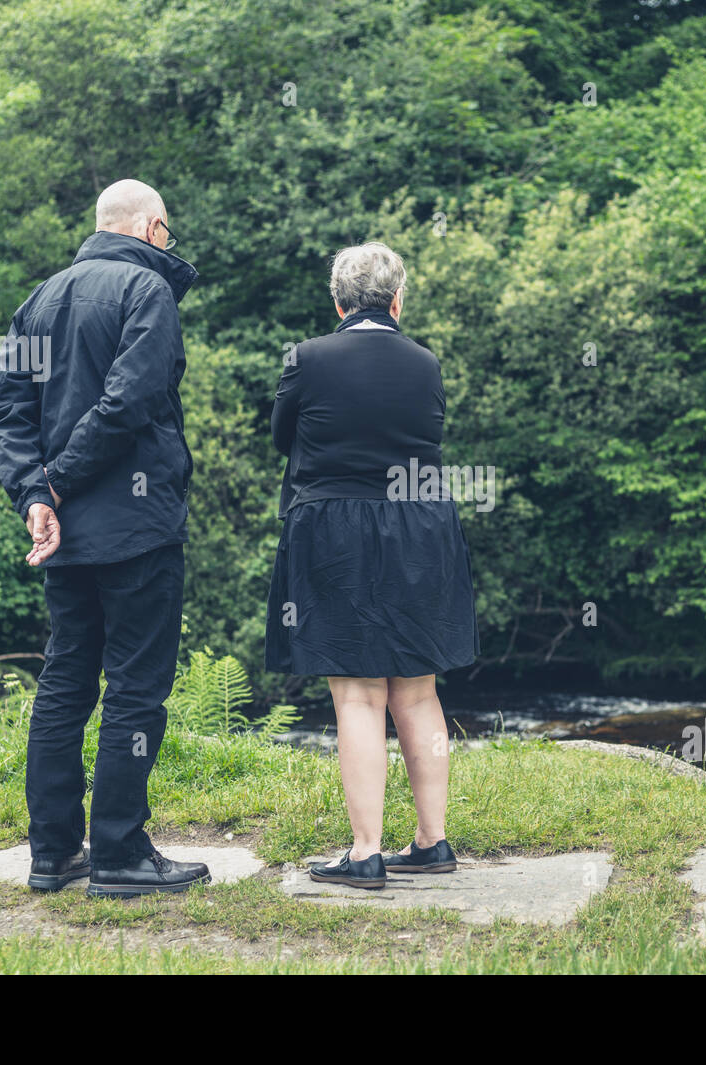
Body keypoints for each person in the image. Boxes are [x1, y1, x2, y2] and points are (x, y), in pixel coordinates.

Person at [0, 179, 210, 898]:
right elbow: (129, 400)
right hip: (135, 528)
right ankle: (117, 851)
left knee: (65, 682)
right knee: (137, 687)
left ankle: (52, 853)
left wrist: (35, 494)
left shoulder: (40, 299)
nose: (168, 243)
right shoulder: (148, 294)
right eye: (166, 231)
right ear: (149, 228)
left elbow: (6, 410)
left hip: (66, 535)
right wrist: (54, 483)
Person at [265, 241, 479, 889]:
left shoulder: (307, 358)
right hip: (421, 528)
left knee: (359, 693)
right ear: (397, 299)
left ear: (338, 301)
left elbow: (283, 436)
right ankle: (432, 840)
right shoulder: (427, 362)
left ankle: (365, 852)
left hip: (338, 531)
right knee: (417, 688)